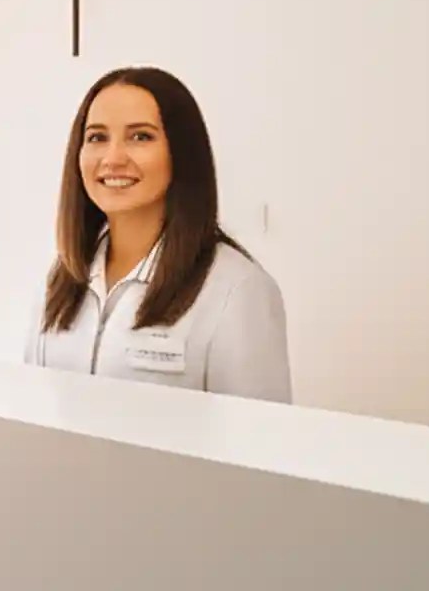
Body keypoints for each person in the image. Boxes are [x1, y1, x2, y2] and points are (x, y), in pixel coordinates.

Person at [23, 66, 291, 403]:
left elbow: (258, 443)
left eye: (140, 136)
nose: (113, 158)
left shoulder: (237, 290)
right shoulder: (60, 282)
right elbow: (32, 412)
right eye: (97, 137)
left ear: (181, 154)